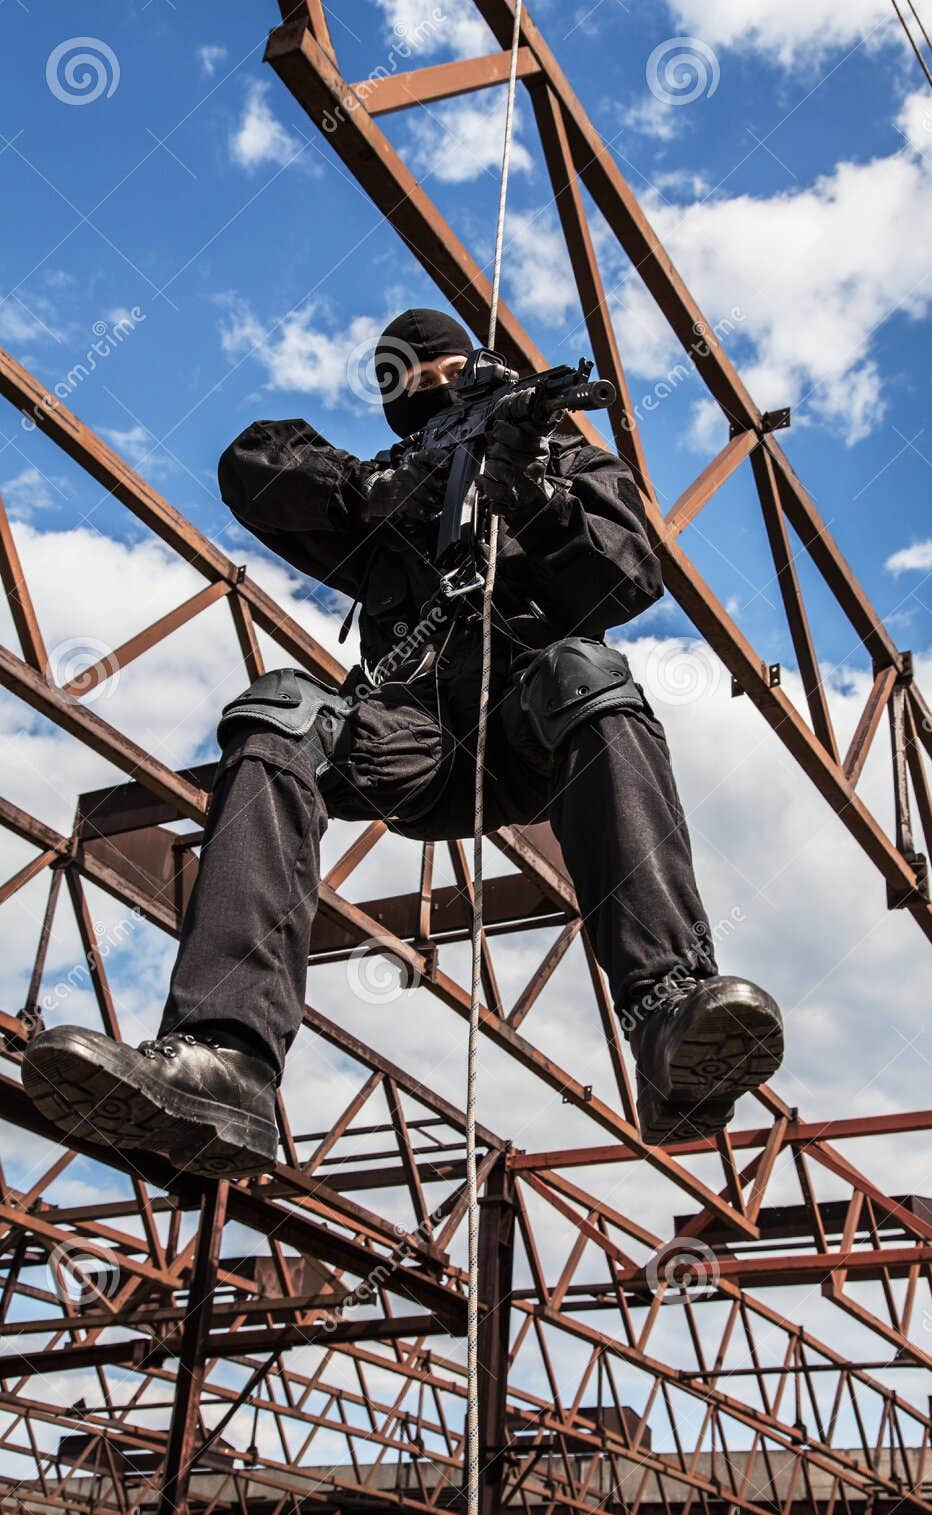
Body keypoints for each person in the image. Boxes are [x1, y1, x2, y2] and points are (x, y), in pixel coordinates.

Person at [24, 307, 783, 1178]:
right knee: (281, 710)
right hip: (412, 733)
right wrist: (385, 493)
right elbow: (252, 466)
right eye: (411, 380)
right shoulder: (383, 481)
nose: (425, 392)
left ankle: (666, 1013)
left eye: (438, 374)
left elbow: (626, 577)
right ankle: (225, 1057)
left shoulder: (561, 456)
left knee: (585, 671)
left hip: (531, 720)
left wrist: (530, 495)